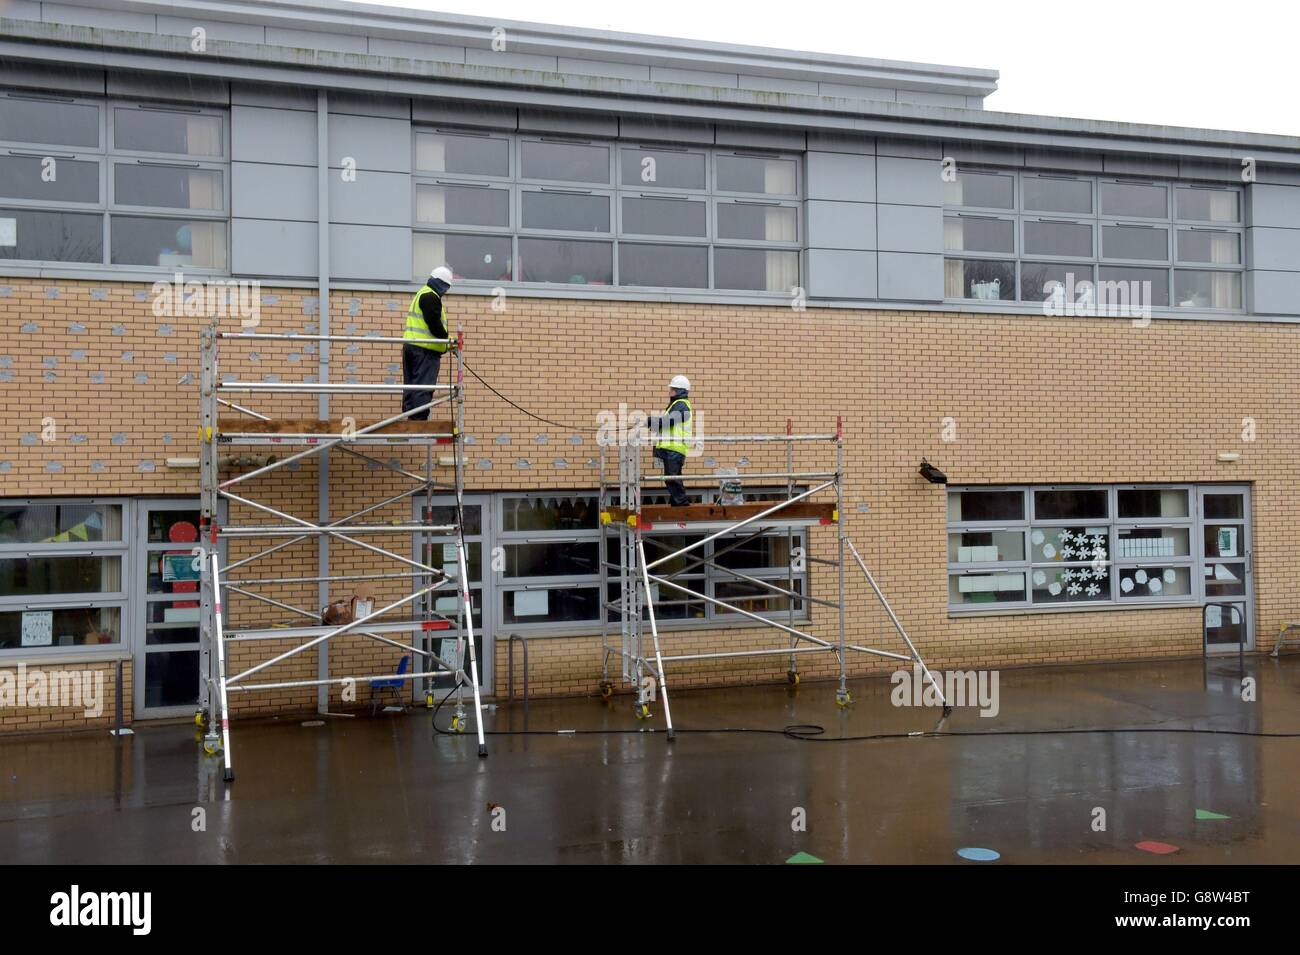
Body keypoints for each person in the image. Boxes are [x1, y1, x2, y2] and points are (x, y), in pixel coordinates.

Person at [402, 265, 453, 421]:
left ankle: (411, 416)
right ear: (440, 283)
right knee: (423, 387)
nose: (445, 291)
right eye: (446, 287)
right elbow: (434, 324)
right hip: (425, 351)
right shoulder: (431, 296)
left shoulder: (421, 294)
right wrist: (448, 339)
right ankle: (418, 420)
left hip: (412, 347)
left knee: (411, 385)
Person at [650, 375, 693, 507]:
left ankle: (682, 504)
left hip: (675, 448)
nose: (670, 391)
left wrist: (651, 421)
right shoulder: (676, 405)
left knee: (672, 478)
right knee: (672, 478)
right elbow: (668, 423)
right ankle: (677, 503)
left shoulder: (681, 405)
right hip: (672, 448)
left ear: (680, 391)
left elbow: (669, 421)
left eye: (673, 389)